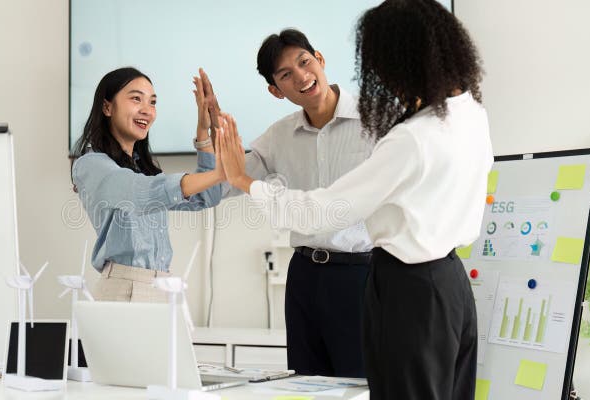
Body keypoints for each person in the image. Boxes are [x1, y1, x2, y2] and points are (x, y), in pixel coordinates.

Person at [216, 0, 491, 398]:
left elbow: (323, 211)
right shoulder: (468, 113)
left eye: (379, 60)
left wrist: (246, 182)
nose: (376, 73)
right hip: (448, 283)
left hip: (408, 287)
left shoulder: (409, 137)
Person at [197, 28, 374, 378]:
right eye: (286, 75)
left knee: (361, 383)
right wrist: (210, 135)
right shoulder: (279, 136)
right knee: (305, 384)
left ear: (320, 59)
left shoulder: (375, 120)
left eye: (304, 62)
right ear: (276, 91)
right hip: (305, 276)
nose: (302, 77)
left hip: (363, 274)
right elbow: (224, 184)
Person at [70, 67, 223, 302]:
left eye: (152, 102)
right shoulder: (91, 164)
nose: (147, 110)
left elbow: (207, 197)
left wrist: (203, 131)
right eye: (135, 99)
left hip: (160, 286)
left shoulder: (144, 169)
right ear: (107, 107)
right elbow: (139, 193)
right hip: (125, 288)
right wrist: (222, 171)